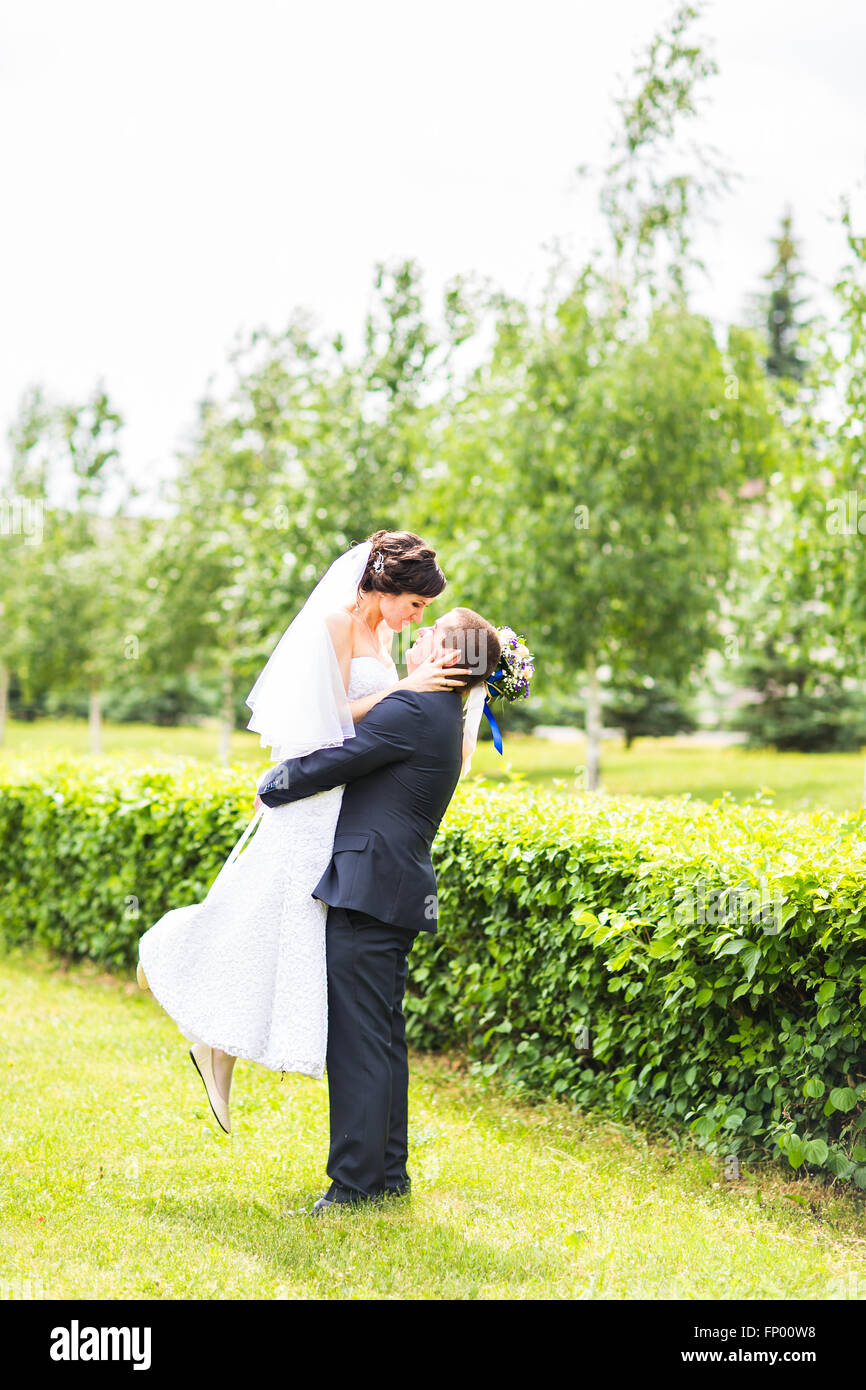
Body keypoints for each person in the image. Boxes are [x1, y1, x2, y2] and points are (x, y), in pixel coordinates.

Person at [136, 532, 469, 1134]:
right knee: (267, 913)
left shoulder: (384, 634)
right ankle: (176, 955)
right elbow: (328, 721)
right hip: (316, 795)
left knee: (286, 934)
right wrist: (403, 690)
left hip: (349, 802)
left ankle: (218, 1043)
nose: (419, 617)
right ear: (387, 587)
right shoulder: (336, 624)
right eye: (415, 604)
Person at [256, 607, 502, 1211]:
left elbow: (338, 759)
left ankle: (355, 1184)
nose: (417, 637)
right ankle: (388, 1174)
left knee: (359, 1042)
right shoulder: (440, 710)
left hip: (370, 888)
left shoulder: (415, 708)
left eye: (430, 633)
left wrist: (273, 782)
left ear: (449, 656)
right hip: (394, 886)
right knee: (383, 1037)